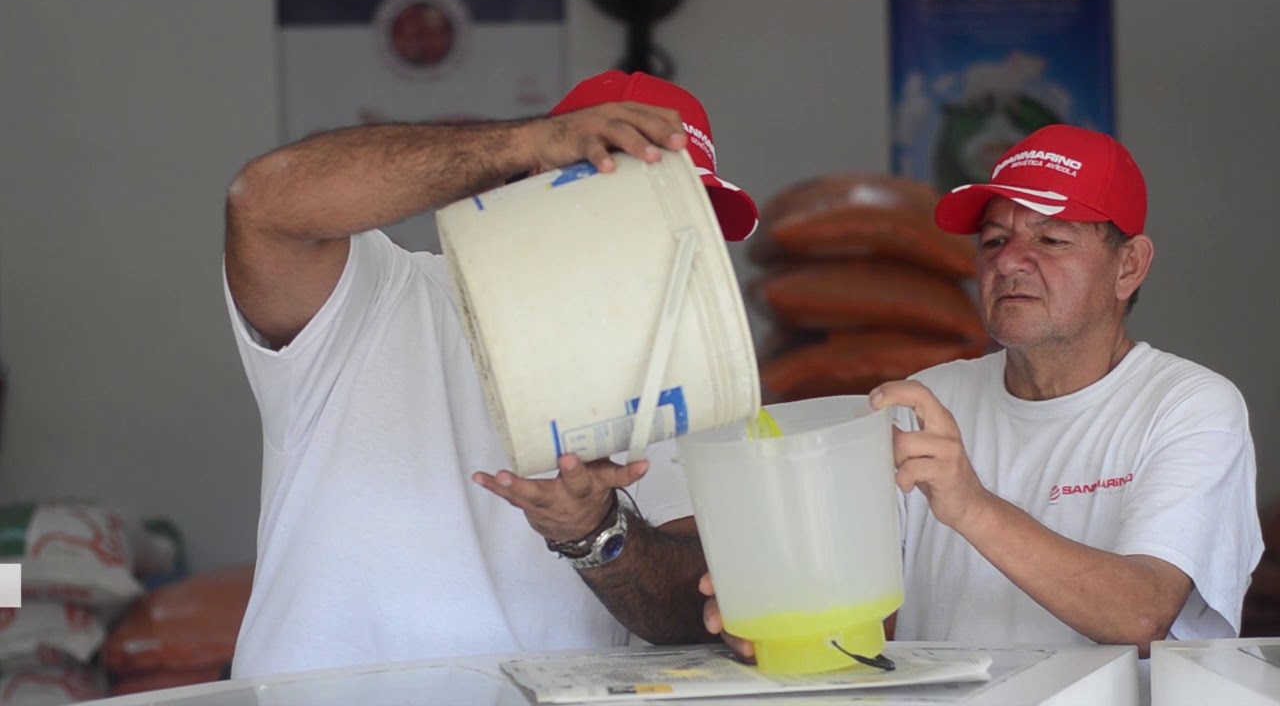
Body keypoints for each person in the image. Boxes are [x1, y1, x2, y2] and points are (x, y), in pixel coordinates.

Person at [222, 70, 759, 678]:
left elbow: (698, 607)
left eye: (685, 222)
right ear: (531, 183)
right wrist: (521, 142)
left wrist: (596, 532)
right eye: (628, 204)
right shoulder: (375, 300)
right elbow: (262, 205)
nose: (660, 242)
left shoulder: (690, 374)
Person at [704, 124, 1263, 663]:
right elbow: (834, 584)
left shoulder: (1188, 405)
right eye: (994, 240)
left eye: (1051, 239)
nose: (1008, 261)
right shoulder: (931, 400)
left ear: (1129, 266)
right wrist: (768, 605)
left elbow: (1143, 614)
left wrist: (970, 504)